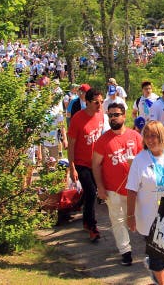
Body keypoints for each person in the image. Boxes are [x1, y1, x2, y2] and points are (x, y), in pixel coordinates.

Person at [126, 121, 164, 285]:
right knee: (157, 257)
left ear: (162, 136)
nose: (150, 139)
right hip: (149, 217)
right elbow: (131, 189)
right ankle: (160, 282)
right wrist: (130, 215)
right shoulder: (140, 159)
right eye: (147, 136)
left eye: (153, 135)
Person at [92, 102, 143, 265]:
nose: (112, 118)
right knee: (118, 220)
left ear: (124, 116)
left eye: (116, 114)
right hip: (112, 189)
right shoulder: (103, 140)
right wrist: (100, 187)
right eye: (110, 115)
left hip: (135, 189)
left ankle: (153, 248)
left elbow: (144, 159)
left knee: (141, 217)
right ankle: (125, 251)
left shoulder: (135, 136)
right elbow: (96, 165)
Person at [67, 87, 108, 243]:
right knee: (91, 192)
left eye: (101, 102)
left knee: (91, 191)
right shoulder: (78, 119)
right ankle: (92, 226)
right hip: (81, 163)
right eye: (96, 102)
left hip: (96, 162)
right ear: (87, 102)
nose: (99, 105)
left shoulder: (100, 116)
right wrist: (71, 167)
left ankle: (80, 208)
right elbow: (71, 145)